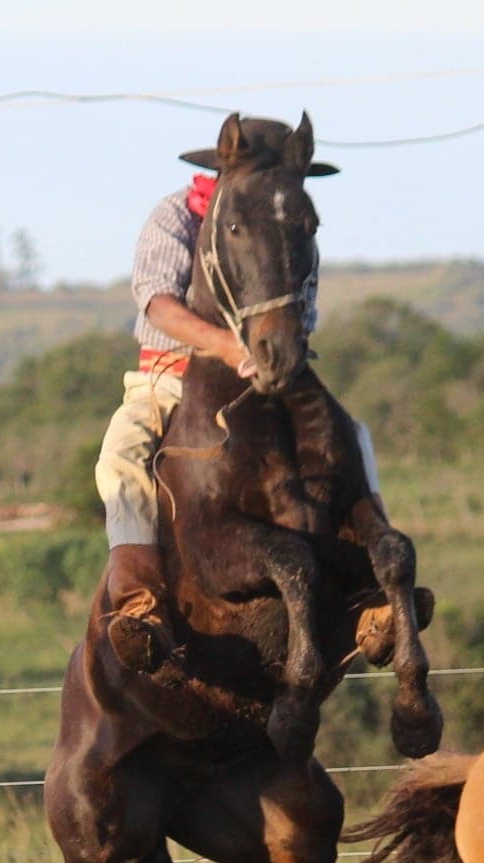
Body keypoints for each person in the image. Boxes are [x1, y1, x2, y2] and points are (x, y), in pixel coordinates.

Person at [94, 117, 379, 672]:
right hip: (172, 375)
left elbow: (300, 312)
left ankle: (372, 596)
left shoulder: (292, 226)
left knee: (354, 438)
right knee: (121, 454)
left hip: (275, 381)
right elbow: (155, 300)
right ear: (225, 169)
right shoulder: (176, 214)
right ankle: (141, 605)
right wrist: (226, 347)